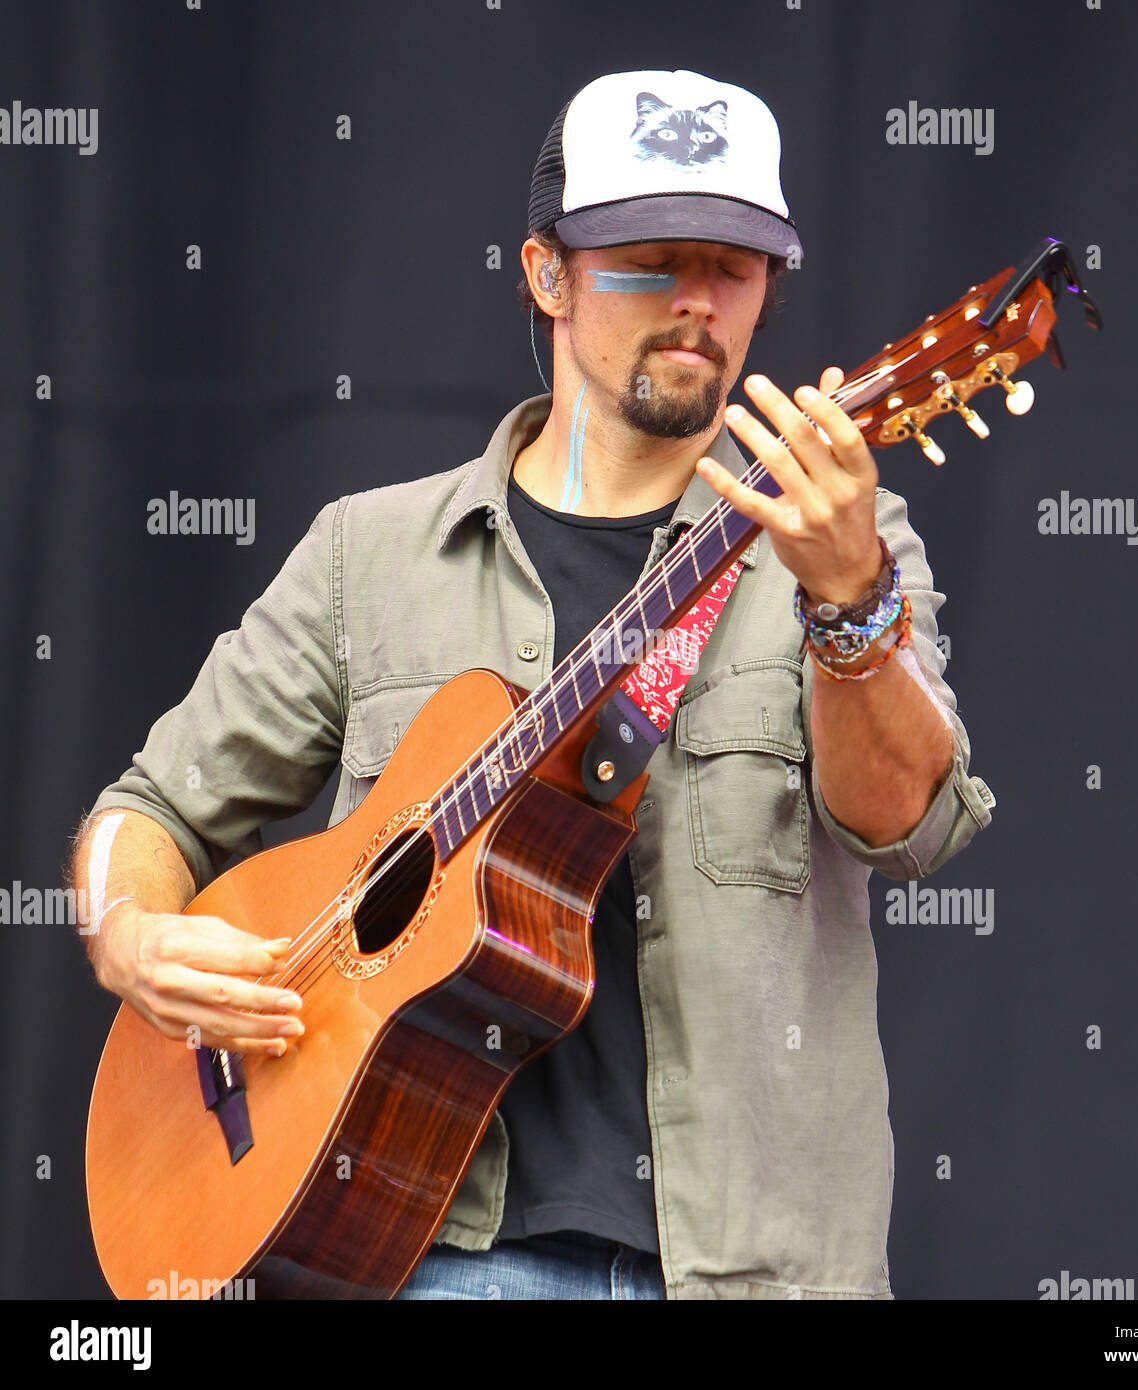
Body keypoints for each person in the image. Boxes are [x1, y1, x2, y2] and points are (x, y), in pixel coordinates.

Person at [70, 68, 995, 1300]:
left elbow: (907, 824)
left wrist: (849, 605)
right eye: (645, 256)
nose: (694, 302)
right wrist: (128, 932)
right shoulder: (368, 555)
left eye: (732, 264)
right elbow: (149, 809)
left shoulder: (844, 541)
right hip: (431, 1256)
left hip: (754, 1271)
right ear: (546, 272)